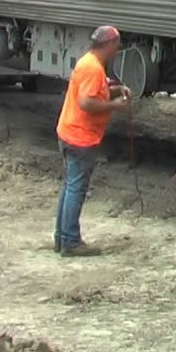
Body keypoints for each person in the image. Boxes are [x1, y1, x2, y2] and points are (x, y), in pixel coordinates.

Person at [53, 25, 132, 256]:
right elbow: (86, 103)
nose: (117, 51)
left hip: (69, 132)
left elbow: (96, 90)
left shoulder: (88, 62)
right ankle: (70, 242)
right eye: (116, 46)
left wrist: (116, 90)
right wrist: (114, 106)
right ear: (108, 45)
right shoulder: (93, 69)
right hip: (80, 137)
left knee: (69, 187)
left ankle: (62, 237)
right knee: (76, 189)